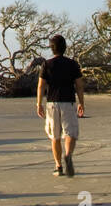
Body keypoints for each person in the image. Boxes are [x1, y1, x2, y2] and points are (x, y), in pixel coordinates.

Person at [36, 34, 84, 176]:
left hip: (52, 103)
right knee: (70, 133)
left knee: (55, 136)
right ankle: (68, 154)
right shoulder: (72, 64)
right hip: (68, 102)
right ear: (64, 47)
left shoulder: (47, 64)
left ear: (52, 48)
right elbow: (79, 85)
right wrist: (81, 102)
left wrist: (39, 103)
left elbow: (41, 86)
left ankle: (58, 166)